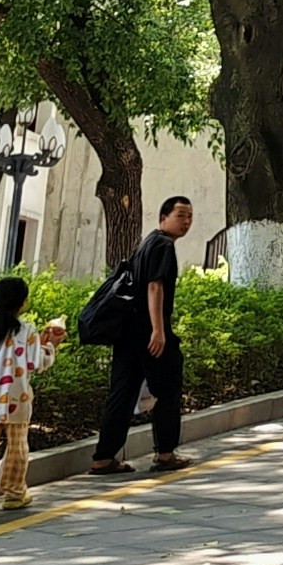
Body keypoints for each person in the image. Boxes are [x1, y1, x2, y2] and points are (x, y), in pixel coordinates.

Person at [89, 193, 196, 476]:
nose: (186, 222)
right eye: (180, 215)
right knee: (168, 389)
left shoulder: (147, 243)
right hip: (149, 334)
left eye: (189, 217)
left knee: (121, 393)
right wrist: (159, 330)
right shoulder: (162, 245)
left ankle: (104, 457)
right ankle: (165, 454)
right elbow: (154, 287)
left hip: (128, 333)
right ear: (164, 218)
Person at [0, 276, 63, 514]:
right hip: (17, 398)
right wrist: (51, 345)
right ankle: (14, 494)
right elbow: (37, 362)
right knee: (17, 448)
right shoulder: (27, 330)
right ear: (23, 302)